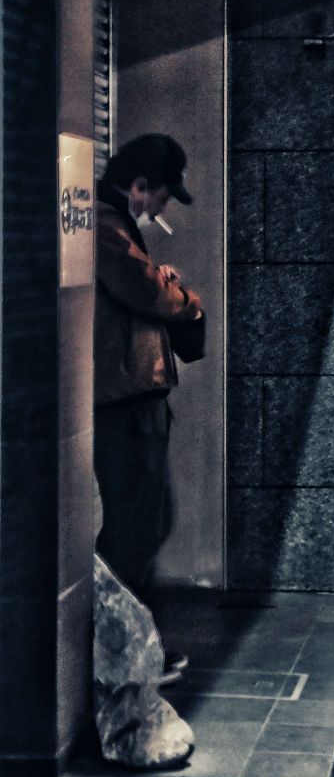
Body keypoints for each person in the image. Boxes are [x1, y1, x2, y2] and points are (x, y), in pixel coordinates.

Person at [94, 134, 203, 683]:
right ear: (138, 188)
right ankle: (125, 650)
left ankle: (135, 644)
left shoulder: (116, 227)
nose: (161, 209)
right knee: (136, 526)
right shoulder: (106, 228)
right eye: (161, 197)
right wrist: (184, 298)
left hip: (137, 401)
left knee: (147, 521)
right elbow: (146, 293)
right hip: (125, 406)